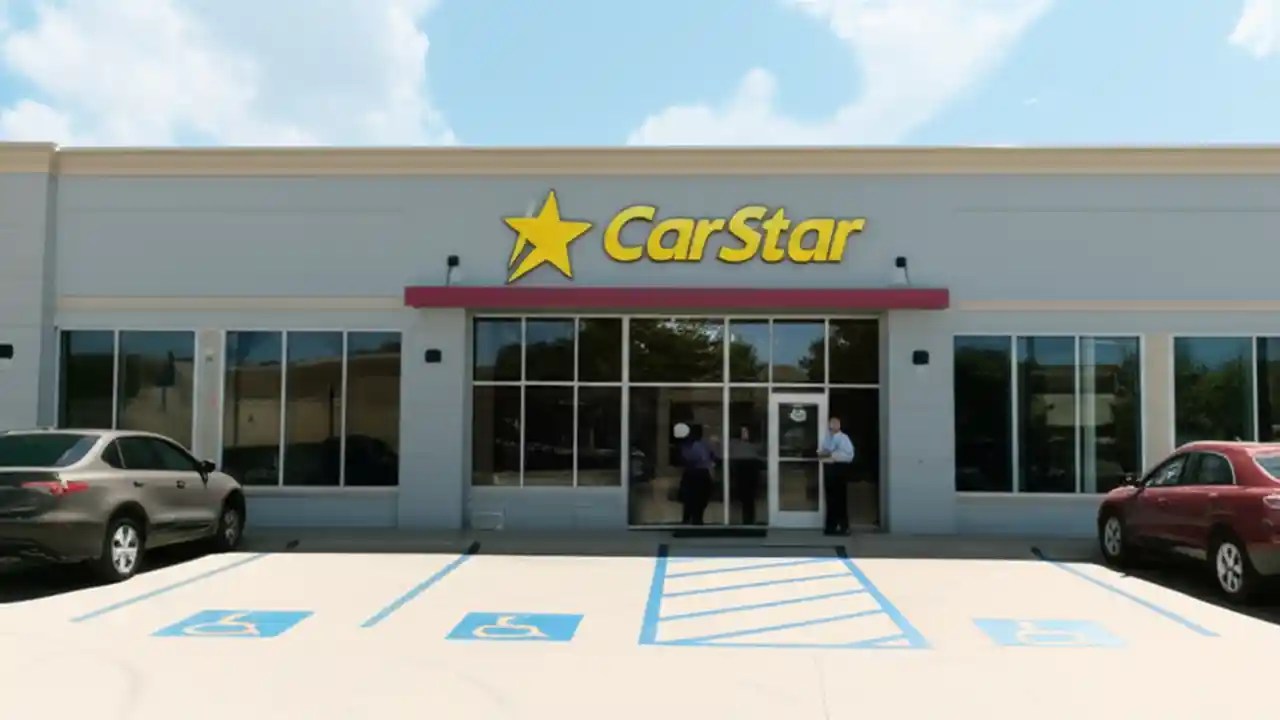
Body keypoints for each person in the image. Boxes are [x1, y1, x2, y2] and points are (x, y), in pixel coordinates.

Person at [817, 415, 854, 536]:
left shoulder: (844, 439)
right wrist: (822, 454)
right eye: (831, 424)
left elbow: (849, 455)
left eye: (834, 424)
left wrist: (832, 455)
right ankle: (830, 527)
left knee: (840, 500)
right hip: (828, 470)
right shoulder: (828, 438)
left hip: (839, 470)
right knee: (830, 500)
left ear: (839, 426)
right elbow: (822, 451)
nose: (832, 426)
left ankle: (844, 527)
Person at [676, 422, 717, 525]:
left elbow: (685, 458)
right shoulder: (700, 445)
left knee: (694, 500)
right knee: (696, 500)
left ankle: (692, 520)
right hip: (698, 473)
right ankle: (693, 520)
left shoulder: (690, 445)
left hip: (695, 473)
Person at [727, 424, 763, 525]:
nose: (745, 434)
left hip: (751, 472)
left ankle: (749, 520)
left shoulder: (754, 445)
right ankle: (738, 520)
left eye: (746, 432)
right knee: (741, 498)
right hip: (740, 472)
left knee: (749, 499)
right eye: (743, 432)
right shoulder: (733, 444)